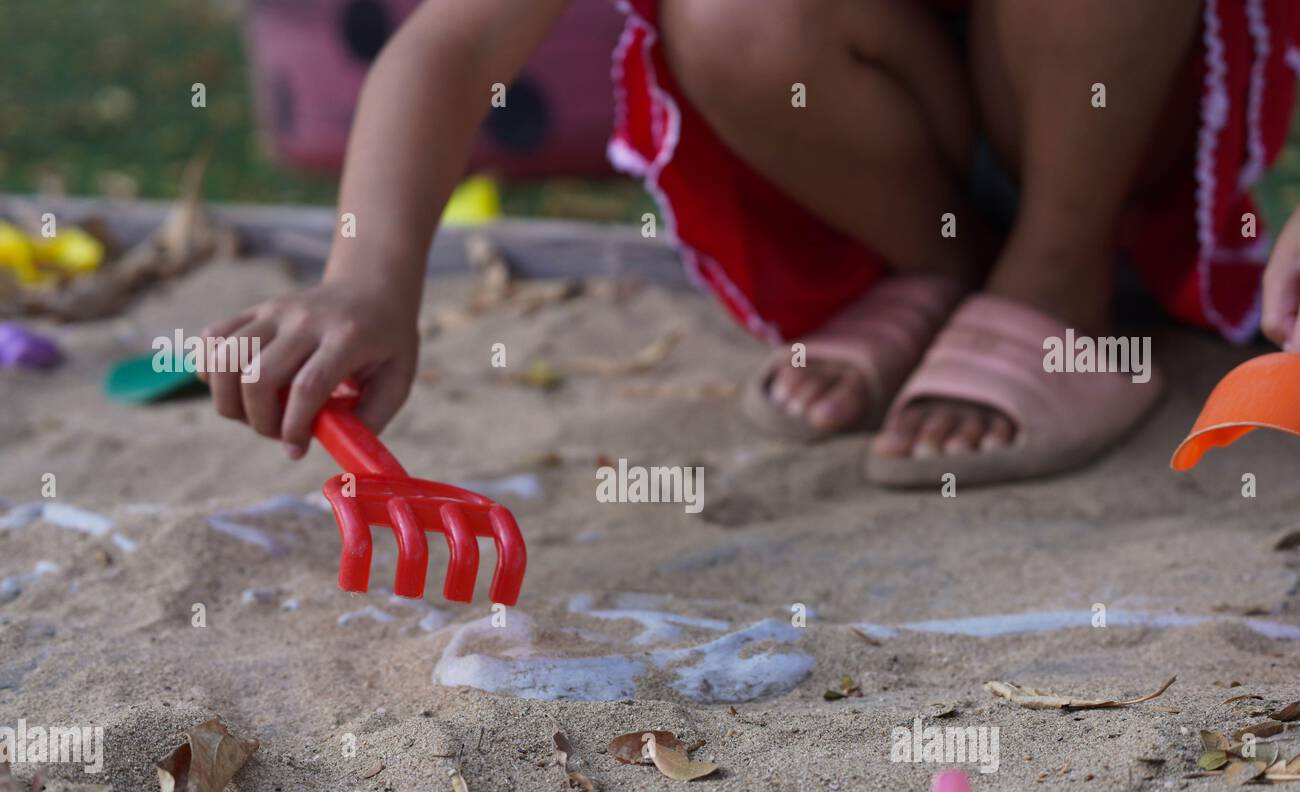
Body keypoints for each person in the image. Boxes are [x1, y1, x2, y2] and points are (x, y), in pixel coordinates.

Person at [202, 0, 1300, 486]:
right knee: (732, 12)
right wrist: (363, 274)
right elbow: (459, 37)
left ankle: (1056, 280)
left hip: (1110, 129)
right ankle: (939, 275)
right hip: (902, 142)